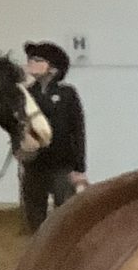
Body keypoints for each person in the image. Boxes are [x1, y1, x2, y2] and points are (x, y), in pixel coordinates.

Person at [19, 42, 87, 233]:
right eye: (31, 59)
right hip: (34, 165)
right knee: (34, 215)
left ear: (53, 68)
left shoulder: (67, 94)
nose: (31, 63)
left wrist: (79, 168)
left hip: (62, 164)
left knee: (65, 214)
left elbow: (78, 131)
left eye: (38, 60)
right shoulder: (25, 94)